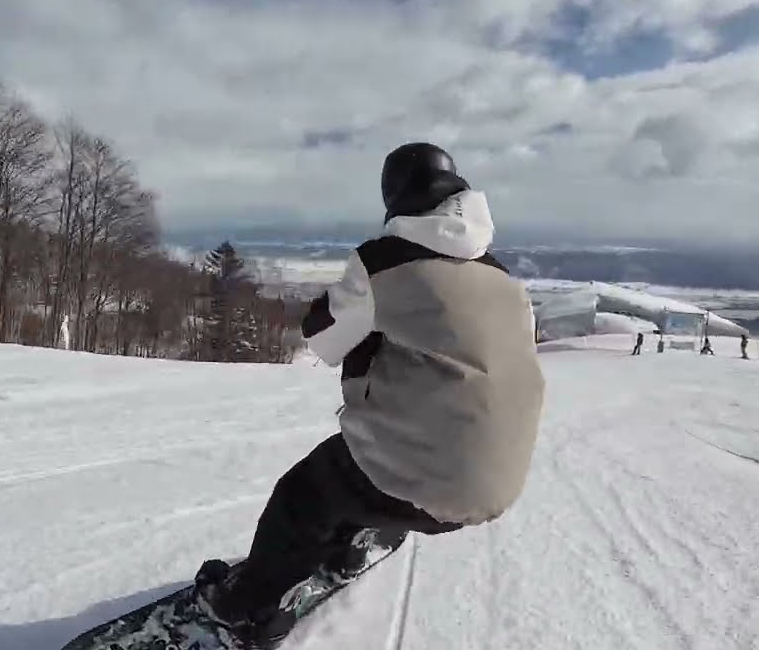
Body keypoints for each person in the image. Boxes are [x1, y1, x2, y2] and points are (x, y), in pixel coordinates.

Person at [193, 142, 547, 646]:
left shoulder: (383, 261)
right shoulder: (505, 279)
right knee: (358, 470)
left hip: (429, 478)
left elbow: (325, 338)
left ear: (394, 195)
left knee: (304, 494)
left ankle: (247, 607)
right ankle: (346, 550)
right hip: (500, 484)